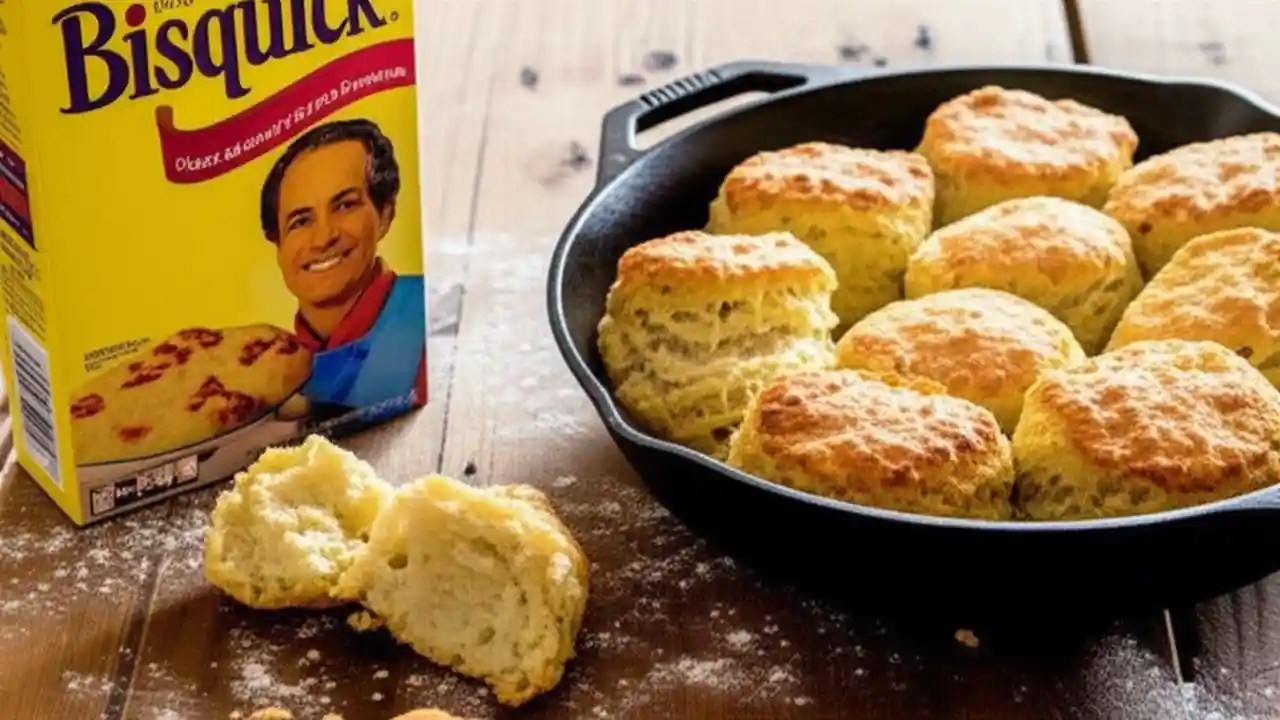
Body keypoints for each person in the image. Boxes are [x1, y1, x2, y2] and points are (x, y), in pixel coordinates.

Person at [259, 118, 425, 413]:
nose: (323, 238)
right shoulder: (260, 375)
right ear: (279, 246)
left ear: (385, 215)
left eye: (345, 205)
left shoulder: (430, 324)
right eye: (301, 221)